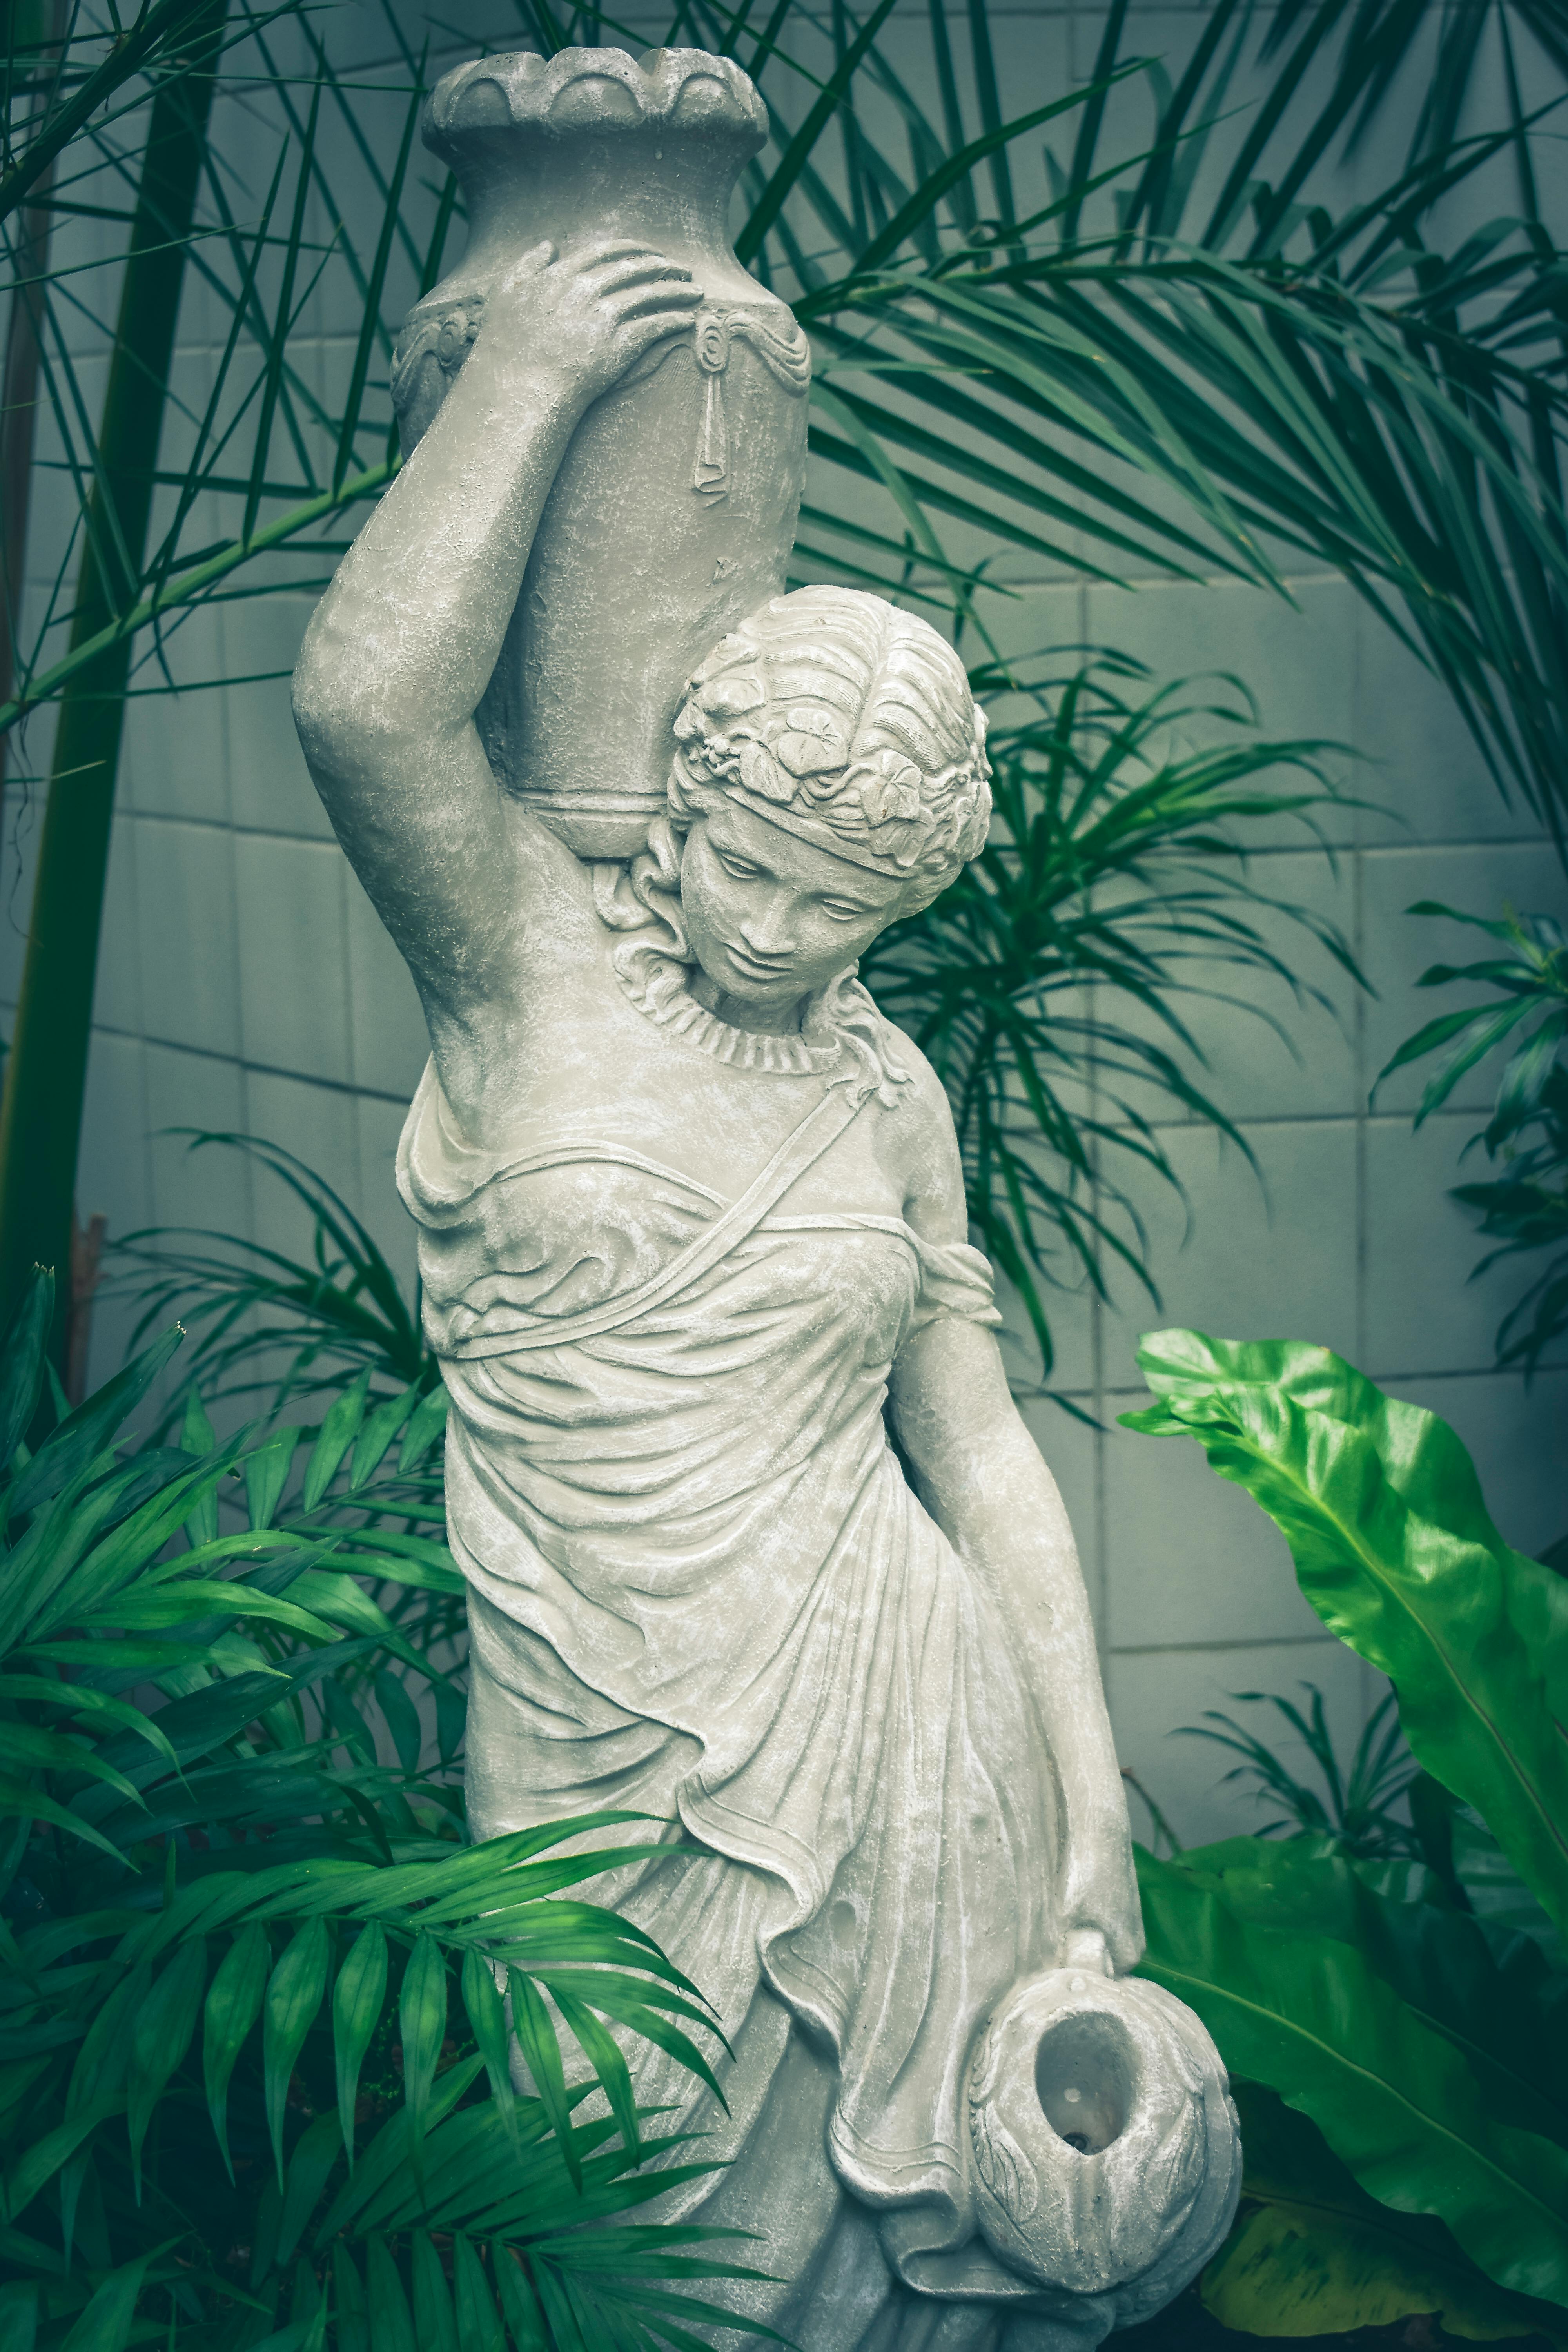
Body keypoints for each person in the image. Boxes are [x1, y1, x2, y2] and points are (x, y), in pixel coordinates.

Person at [292, 234, 1143, 2349]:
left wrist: (1097, 1801)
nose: (770, 929)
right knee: (628, 2228)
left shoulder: (888, 1091)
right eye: (748, 861)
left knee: (915, 2263)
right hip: (600, 1737)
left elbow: (978, 1448)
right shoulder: (524, 961)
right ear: (686, 787)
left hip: (902, 1726)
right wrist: (530, 381)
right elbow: (364, 700)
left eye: (839, 905)